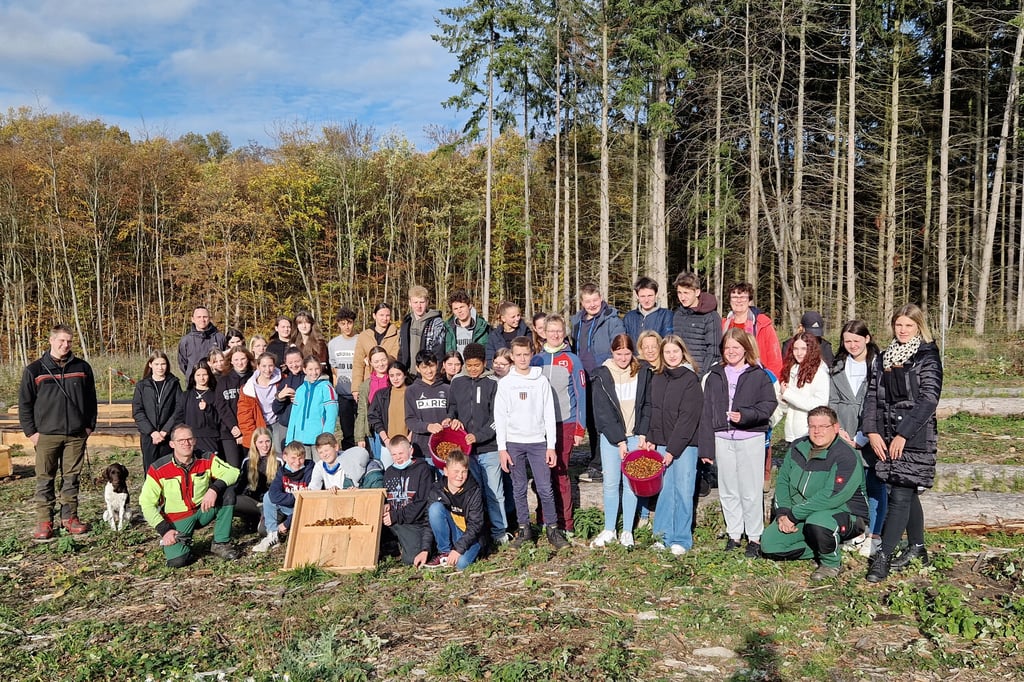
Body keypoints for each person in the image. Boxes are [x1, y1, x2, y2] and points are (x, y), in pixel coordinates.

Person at [864, 304, 943, 583]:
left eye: (909, 325)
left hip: (914, 435)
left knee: (900, 493)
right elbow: (872, 396)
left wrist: (903, 434)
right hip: (885, 433)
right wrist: (871, 430)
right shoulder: (883, 357)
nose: (903, 330)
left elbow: (929, 400)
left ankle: (883, 557)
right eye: (899, 325)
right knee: (905, 490)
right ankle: (918, 547)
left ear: (918, 327)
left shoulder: (927, 357)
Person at [761, 406, 869, 580]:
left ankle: (831, 563)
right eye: (812, 426)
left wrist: (794, 515)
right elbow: (783, 482)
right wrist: (783, 514)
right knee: (770, 544)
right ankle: (824, 546)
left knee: (818, 521)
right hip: (802, 513)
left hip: (845, 514)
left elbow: (832, 496)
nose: (817, 431)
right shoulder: (798, 447)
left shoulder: (846, 456)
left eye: (823, 426)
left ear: (835, 428)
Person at [699, 329, 778, 558]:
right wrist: (706, 447)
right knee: (728, 488)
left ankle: (754, 536)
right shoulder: (714, 375)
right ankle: (734, 533)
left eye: (736, 347)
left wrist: (745, 416)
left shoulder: (758, 374)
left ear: (745, 348)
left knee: (750, 489)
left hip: (750, 436)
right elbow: (706, 412)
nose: (731, 351)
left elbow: (768, 405)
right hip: (722, 437)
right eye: (727, 347)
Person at [20, 324, 98, 540]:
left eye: (69, 341)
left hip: (75, 435)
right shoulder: (34, 370)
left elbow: (91, 399)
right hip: (46, 435)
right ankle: (45, 521)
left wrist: (89, 425)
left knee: (71, 478)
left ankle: (70, 518)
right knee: (45, 479)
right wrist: (32, 433)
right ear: (51, 341)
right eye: (61, 341)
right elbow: (25, 404)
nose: (66, 345)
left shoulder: (82, 368)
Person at [495, 336, 568, 550]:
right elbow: (500, 416)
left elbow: (548, 414)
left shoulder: (541, 380)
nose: (522, 358)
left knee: (545, 488)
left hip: (538, 442)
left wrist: (551, 445)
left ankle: (553, 528)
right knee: (518, 488)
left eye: (526, 354)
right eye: (518, 355)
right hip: (514, 443)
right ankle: (524, 528)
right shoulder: (506, 383)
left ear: (532, 354)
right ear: (512, 356)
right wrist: (502, 449)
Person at [140, 424, 240, 566]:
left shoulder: (206, 458)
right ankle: (181, 544)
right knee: (178, 561)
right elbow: (146, 503)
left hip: (203, 510)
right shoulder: (158, 469)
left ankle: (221, 543)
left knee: (228, 493)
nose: (186, 443)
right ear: (172, 444)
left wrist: (214, 489)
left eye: (189, 439)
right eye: (181, 441)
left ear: (195, 441)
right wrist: (165, 530)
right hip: (177, 518)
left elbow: (233, 472)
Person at [642, 335, 703, 555]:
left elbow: (688, 419)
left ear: (682, 352)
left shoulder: (690, 380)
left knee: (683, 490)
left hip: (684, 446)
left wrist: (671, 451)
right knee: (665, 490)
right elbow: (654, 411)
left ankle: (681, 539)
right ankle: (662, 535)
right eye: (667, 352)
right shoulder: (657, 377)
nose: (671, 355)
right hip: (661, 444)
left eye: (675, 351)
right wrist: (651, 437)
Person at [590, 334, 651, 549]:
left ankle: (627, 530)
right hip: (612, 438)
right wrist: (619, 440)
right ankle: (609, 528)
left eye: (627, 354)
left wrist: (643, 433)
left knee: (631, 484)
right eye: (619, 354)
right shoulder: (602, 375)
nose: (623, 358)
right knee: (611, 483)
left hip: (635, 436)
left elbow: (647, 405)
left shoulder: (642, 372)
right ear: (612, 352)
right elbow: (602, 413)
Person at [830, 320, 884, 558]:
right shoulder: (838, 366)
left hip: (872, 431)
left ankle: (875, 533)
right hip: (843, 430)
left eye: (856, 340)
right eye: (847, 341)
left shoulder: (879, 365)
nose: (852, 345)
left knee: (874, 483)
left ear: (867, 339)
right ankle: (855, 530)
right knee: (849, 484)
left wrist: (864, 434)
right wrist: (838, 428)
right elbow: (832, 400)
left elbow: (882, 402)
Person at [446, 342, 508, 545]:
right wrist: (452, 418)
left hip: (489, 449)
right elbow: (452, 407)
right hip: (466, 451)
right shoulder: (457, 382)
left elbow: (498, 418)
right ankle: (479, 531)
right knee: (474, 493)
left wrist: (479, 436)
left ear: (485, 363)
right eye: (469, 365)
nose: (473, 369)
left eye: (477, 365)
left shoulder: (494, 383)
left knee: (494, 492)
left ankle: (500, 531)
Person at [531, 314, 586, 536]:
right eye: (550, 330)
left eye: (558, 331)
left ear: (564, 333)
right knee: (542, 474)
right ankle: (545, 518)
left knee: (560, 472)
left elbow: (581, 395)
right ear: (543, 332)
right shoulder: (537, 360)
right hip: (540, 427)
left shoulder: (572, 359)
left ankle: (566, 522)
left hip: (566, 422)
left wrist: (580, 428)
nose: (554, 335)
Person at [571, 283, 626, 484]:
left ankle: (600, 464)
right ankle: (595, 457)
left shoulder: (611, 319)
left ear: (601, 298)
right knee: (591, 422)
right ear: (582, 302)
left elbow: (619, 345)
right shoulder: (576, 321)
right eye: (588, 301)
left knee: (603, 419)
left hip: (602, 376)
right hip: (582, 377)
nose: (592, 304)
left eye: (595, 300)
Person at [425, 450, 485, 570]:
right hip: (452, 531)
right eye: (456, 471)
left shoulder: (473, 491)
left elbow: (476, 525)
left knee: (461, 564)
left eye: (464, 471)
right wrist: (425, 549)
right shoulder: (437, 489)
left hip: (470, 536)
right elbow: (428, 523)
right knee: (435, 509)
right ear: (446, 471)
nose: (460, 476)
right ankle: (445, 552)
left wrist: (458, 550)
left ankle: (459, 553)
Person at [381, 435, 435, 566]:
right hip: (394, 520)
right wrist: (387, 505)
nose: (398, 458)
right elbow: (388, 497)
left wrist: (395, 516)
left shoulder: (423, 470)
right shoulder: (389, 472)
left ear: (410, 451)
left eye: (401, 453)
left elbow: (421, 503)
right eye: (394, 454)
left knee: (411, 560)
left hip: (414, 522)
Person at [252, 440, 313, 552]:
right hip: (287, 506)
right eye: (293, 458)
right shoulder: (282, 471)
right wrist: (295, 496)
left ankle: (285, 531)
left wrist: (287, 523)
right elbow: (274, 495)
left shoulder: (310, 470)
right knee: (267, 498)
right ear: (285, 457)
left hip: (302, 510)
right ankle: (273, 535)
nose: (297, 462)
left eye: (300, 458)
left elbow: (308, 502)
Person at [132, 351, 181, 474]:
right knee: (151, 472)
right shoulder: (142, 385)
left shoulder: (174, 383)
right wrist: (152, 432)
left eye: (163, 364)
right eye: (157, 364)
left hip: (168, 435)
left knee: (169, 471)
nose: (160, 367)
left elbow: (179, 409)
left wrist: (165, 431)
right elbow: (138, 411)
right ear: (150, 365)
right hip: (149, 436)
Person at [721, 283, 782, 379]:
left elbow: (775, 357)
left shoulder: (762, 324)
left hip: (757, 376)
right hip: (729, 376)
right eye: (734, 297)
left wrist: (772, 380)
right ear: (730, 300)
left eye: (743, 297)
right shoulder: (723, 325)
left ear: (749, 301)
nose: (738, 301)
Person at [779, 332, 830, 444]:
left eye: (803, 349)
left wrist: (788, 394)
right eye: (795, 349)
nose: (799, 353)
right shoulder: (793, 369)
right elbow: (786, 407)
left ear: (811, 349)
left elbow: (820, 404)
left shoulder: (820, 372)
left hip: (809, 433)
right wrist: (783, 398)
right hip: (792, 433)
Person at [285, 355, 339, 459]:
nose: (314, 373)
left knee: (320, 468)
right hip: (300, 439)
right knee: (304, 470)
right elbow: (294, 416)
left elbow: (331, 415)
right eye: (310, 369)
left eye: (316, 369)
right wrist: (289, 439)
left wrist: (326, 438)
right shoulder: (300, 390)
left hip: (318, 439)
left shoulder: (327, 388)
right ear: (304, 370)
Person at [672, 271, 722, 377]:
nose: (682, 297)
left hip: (701, 375)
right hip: (680, 375)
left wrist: (702, 377)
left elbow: (714, 351)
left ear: (697, 292)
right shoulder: (678, 315)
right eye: (679, 293)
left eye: (686, 293)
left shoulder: (710, 316)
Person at [405, 350, 449, 464]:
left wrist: (449, 420)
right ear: (418, 368)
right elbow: (410, 420)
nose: (429, 371)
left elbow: (453, 414)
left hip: (444, 448)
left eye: (432, 366)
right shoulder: (411, 391)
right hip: (421, 450)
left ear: (437, 365)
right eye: (424, 367)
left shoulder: (447, 389)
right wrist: (427, 427)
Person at [234, 427, 280, 532]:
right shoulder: (247, 461)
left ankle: (266, 519)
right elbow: (241, 485)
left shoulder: (279, 460)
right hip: (254, 501)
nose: (264, 445)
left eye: (267, 441)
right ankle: (250, 518)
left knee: (263, 531)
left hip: (271, 502)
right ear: (255, 443)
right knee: (230, 501)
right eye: (261, 442)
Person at [213, 347, 253, 467]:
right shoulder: (223, 380)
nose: (240, 362)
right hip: (229, 431)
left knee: (250, 467)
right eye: (236, 359)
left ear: (248, 359)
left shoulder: (253, 378)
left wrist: (244, 429)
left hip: (249, 430)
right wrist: (234, 427)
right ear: (230, 361)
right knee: (234, 467)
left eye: (243, 359)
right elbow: (221, 406)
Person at [236, 352, 283, 452]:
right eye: (264, 366)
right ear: (258, 366)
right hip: (260, 425)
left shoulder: (282, 381)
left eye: (270, 366)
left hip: (277, 423)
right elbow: (244, 416)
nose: (267, 369)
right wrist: (251, 437)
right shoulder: (248, 389)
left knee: (279, 453)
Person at [369, 359, 411, 468]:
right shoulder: (381, 395)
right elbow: (374, 417)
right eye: (392, 375)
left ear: (405, 375)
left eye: (398, 375)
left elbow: (418, 417)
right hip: (388, 445)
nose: (395, 378)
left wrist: (409, 439)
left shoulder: (412, 393)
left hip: (408, 443)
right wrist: (386, 440)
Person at [174, 361, 221, 457]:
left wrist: (208, 409)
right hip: (190, 438)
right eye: (198, 375)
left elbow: (218, 420)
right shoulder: (186, 395)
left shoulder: (216, 394)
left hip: (210, 438)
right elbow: (178, 418)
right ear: (193, 377)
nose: (202, 378)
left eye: (204, 374)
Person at [352, 303, 400, 396]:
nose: (385, 318)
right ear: (374, 316)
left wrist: (375, 361)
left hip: (389, 382)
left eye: (387, 315)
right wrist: (356, 388)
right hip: (369, 382)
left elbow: (395, 356)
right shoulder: (364, 336)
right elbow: (358, 363)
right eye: (381, 315)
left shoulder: (397, 335)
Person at [328, 307, 359, 449]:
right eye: (343, 323)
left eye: (349, 323)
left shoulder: (360, 340)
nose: (346, 327)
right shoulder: (333, 344)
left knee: (362, 430)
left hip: (359, 392)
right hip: (343, 393)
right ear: (338, 324)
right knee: (347, 431)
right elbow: (334, 368)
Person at [356, 346, 394, 460]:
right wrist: (359, 437)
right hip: (376, 430)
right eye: (376, 361)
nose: (380, 364)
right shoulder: (366, 385)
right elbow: (362, 411)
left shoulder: (394, 379)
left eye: (383, 360)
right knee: (379, 461)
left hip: (394, 426)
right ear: (371, 363)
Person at [398, 285, 446, 372]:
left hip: (427, 372)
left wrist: (436, 372)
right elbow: (401, 349)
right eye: (415, 302)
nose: (418, 306)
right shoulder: (407, 322)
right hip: (408, 372)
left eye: (422, 302)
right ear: (410, 303)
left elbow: (438, 353)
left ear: (427, 302)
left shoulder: (436, 323)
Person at [308, 432, 376, 490]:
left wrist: (341, 489)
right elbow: (314, 486)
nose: (324, 455)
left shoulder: (347, 460)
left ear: (336, 447)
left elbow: (353, 483)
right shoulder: (319, 466)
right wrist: (308, 490)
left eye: (326, 450)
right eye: (320, 452)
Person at [271, 348, 305, 452]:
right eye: (290, 362)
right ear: (285, 363)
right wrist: (280, 397)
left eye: (297, 361)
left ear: (303, 360)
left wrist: (302, 399)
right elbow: (276, 409)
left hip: (304, 426)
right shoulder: (284, 381)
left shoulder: (308, 379)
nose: (294, 365)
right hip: (286, 425)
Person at [178, 306, 227, 376]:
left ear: (209, 318)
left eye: (205, 317)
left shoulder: (220, 337)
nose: (202, 319)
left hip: (218, 381)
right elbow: (183, 364)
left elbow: (226, 360)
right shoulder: (185, 341)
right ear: (193, 319)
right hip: (195, 383)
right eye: (199, 317)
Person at [623, 276, 673, 343]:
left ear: (656, 294)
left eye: (650, 296)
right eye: (642, 296)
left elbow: (667, 341)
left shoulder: (666, 315)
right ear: (637, 296)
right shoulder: (629, 317)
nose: (646, 300)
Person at [444, 289, 490, 357]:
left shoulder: (483, 327)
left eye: (462, 307)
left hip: (475, 366)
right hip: (455, 366)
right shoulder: (447, 328)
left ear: (469, 306)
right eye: (455, 309)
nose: (459, 311)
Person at [485, 300, 530, 365]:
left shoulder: (526, 332)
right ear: (503, 318)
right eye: (513, 317)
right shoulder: (494, 336)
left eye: (518, 315)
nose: (517, 319)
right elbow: (490, 358)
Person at [294, 311, 330, 379]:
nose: (304, 326)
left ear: (311, 324)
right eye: (300, 323)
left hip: (316, 379)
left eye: (307, 323)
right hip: (299, 379)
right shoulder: (295, 344)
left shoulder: (320, 344)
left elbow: (322, 366)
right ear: (297, 326)